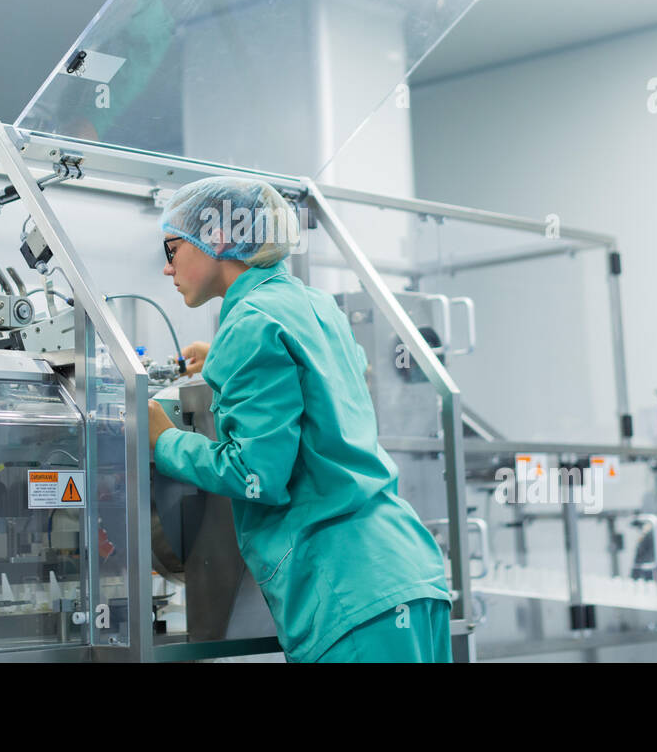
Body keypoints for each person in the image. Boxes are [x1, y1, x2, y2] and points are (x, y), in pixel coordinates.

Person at [145, 176, 453, 663]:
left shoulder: (249, 323)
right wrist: (226, 360)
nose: (167, 267)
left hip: (349, 593)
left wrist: (164, 440)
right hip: (404, 574)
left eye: (173, 246)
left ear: (219, 238)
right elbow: (328, 375)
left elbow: (256, 475)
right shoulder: (311, 304)